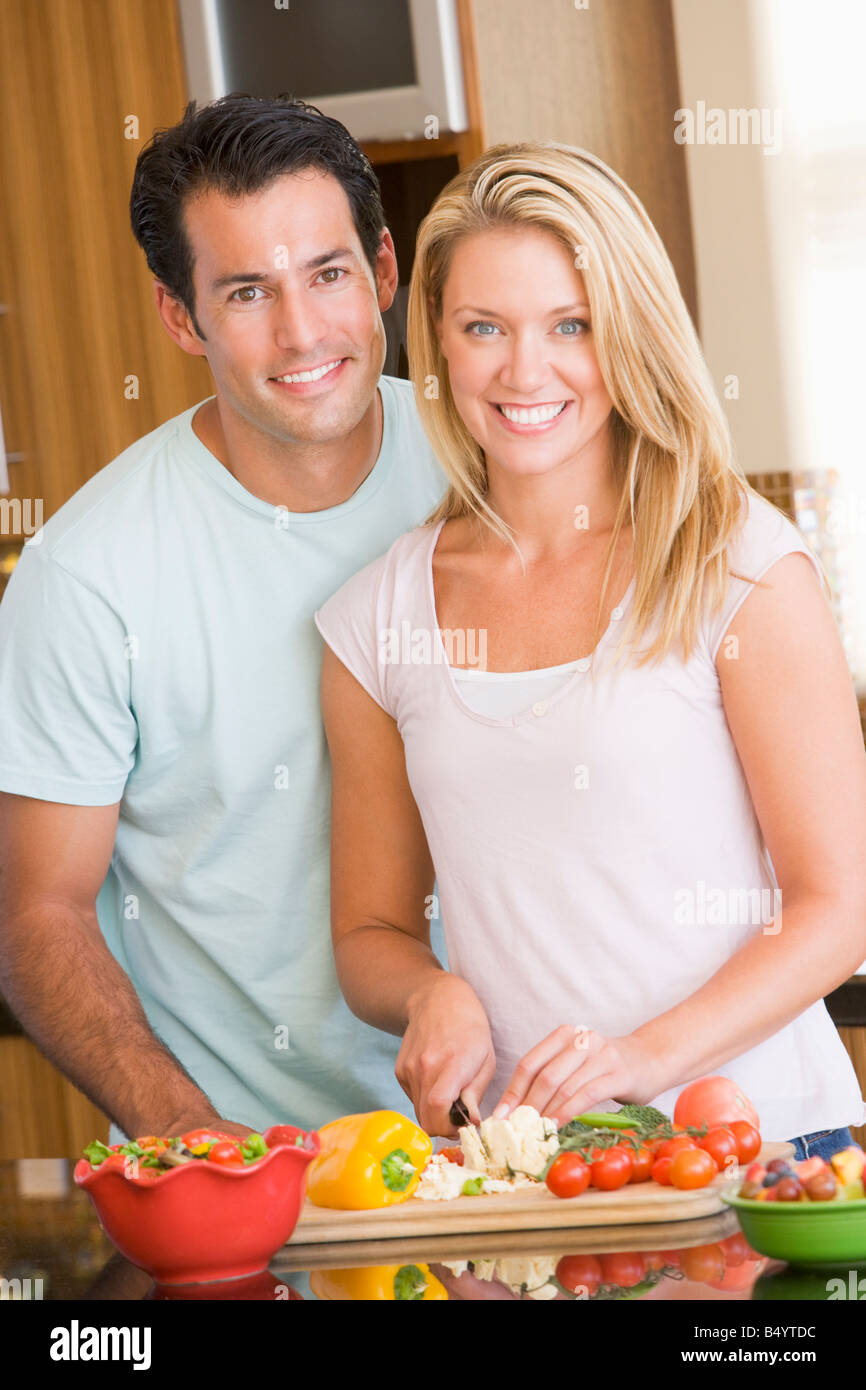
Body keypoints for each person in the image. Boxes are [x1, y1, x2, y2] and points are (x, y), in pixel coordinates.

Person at [314, 141, 866, 1157]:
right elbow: (368, 936)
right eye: (483, 327)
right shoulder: (371, 618)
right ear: (436, 340)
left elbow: (839, 905)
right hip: (532, 1166)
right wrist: (428, 990)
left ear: (627, 332)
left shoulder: (735, 565)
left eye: (569, 325)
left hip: (768, 1150)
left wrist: (643, 1059)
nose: (525, 371)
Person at [0, 94, 446, 1145]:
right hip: (250, 1171)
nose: (301, 333)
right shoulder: (87, 575)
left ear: (382, 271)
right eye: (246, 292)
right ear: (179, 316)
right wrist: (199, 1147)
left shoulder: (492, 469)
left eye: (327, 274)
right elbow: (38, 915)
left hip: (517, 1154)